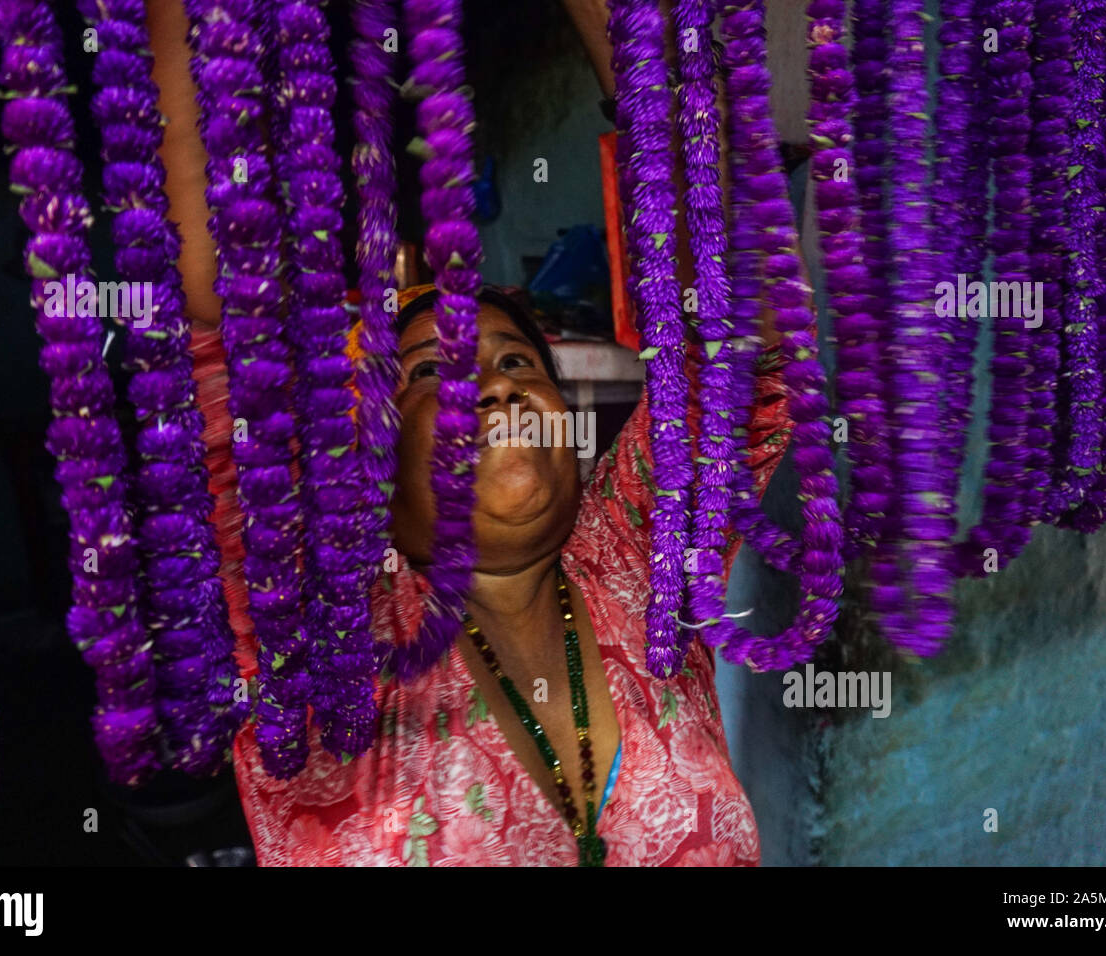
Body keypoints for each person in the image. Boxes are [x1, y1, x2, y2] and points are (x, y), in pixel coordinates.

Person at [151, 0, 799, 864]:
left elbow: (732, 334)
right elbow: (219, 317)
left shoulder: (636, 564)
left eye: (518, 363)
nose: (490, 382)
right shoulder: (323, 632)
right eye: (428, 374)